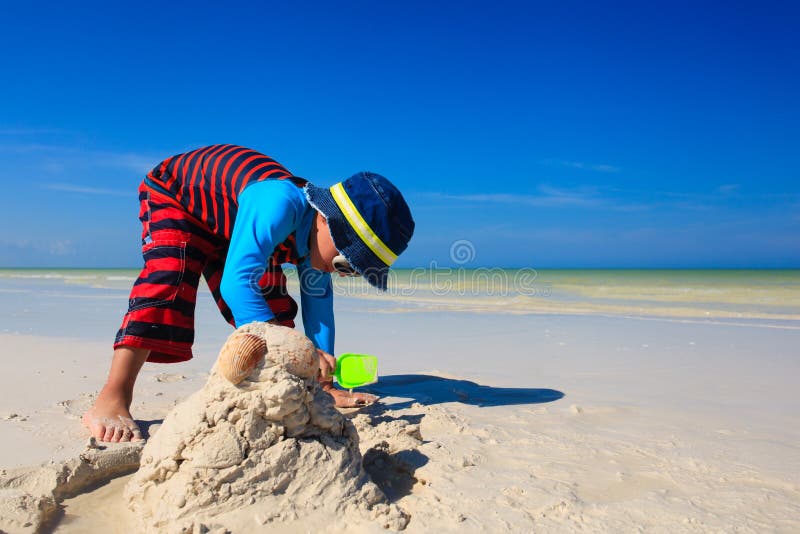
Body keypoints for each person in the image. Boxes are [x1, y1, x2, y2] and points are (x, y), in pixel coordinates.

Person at [82, 144, 415, 443]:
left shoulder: (316, 245)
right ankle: (115, 394)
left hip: (231, 224)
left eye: (354, 272)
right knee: (170, 278)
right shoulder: (279, 204)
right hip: (178, 197)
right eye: (346, 263)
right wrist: (284, 349)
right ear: (327, 221)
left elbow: (320, 312)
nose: (342, 272)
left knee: (276, 312)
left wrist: (325, 384)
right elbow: (236, 284)